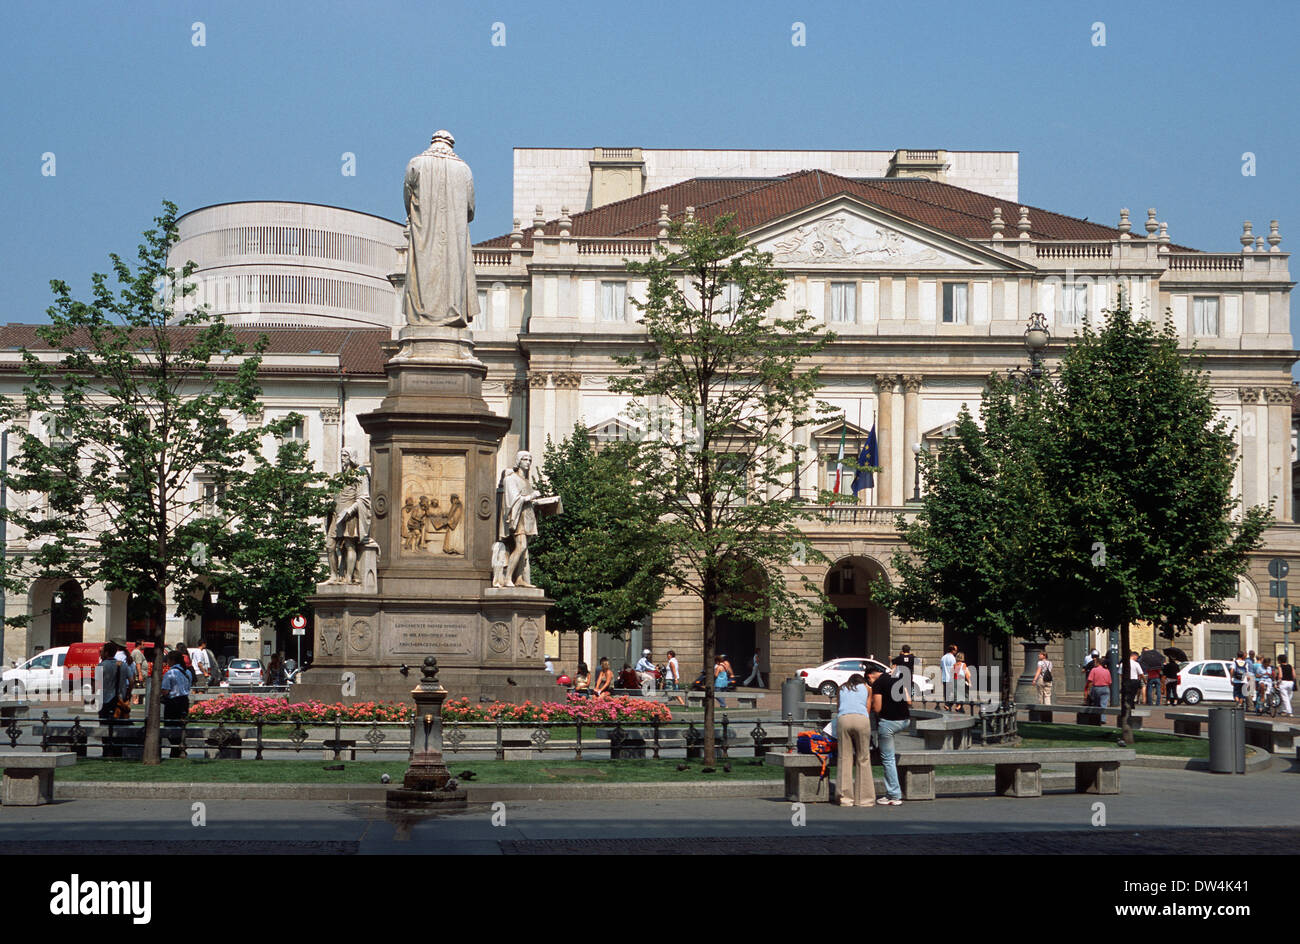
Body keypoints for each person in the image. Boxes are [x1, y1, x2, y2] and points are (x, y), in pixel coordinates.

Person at [868, 661, 910, 806]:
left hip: (889, 722)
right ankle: (892, 793)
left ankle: (894, 794)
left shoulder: (877, 684)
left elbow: (878, 707)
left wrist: (873, 708)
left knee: (888, 759)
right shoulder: (896, 678)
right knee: (889, 757)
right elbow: (909, 700)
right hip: (905, 720)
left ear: (870, 677)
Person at [834, 673, 874, 808]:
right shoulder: (867, 688)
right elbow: (868, 709)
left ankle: (845, 799)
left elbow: (838, 707)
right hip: (861, 719)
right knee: (863, 758)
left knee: (844, 758)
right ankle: (864, 799)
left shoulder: (841, 688)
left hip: (843, 718)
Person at [96, 643, 131, 722]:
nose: (100, 654)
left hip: (104, 700)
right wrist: (128, 693)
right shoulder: (123, 665)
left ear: (106, 653)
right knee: (120, 724)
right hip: (120, 700)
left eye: (101, 652)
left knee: (104, 724)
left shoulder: (100, 666)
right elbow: (131, 681)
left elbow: (97, 684)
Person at [160, 651, 192, 721]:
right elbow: (189, 687)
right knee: (182, 726)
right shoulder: (188, 672)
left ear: (172, 660)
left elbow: (165, 691)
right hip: (184, 701)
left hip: (173, 703)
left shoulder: (170, 673)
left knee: (171, 726)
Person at [939, 645, 957, 710]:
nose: (956, 651)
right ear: (952, 650)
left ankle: (947, 705)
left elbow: (941, 667)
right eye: (955, 650)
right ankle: (948, 705)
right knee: (954, 693)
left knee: (947, 693)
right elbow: (954, 668)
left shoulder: (943, 657)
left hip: (944, 678)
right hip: (951, 678)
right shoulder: (952, 658)